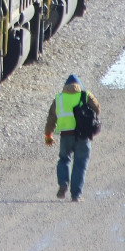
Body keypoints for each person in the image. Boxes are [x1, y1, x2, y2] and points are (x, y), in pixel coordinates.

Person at [44, 74, 101, 202]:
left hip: (65, 136)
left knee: (64, 159)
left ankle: (63, 183)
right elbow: (97, 109)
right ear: (79, 86)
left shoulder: (59, 98)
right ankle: (76, 195)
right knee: (80, 165)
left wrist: (48, 135)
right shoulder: (85, 95)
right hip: (83, 136)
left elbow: (51, 119)